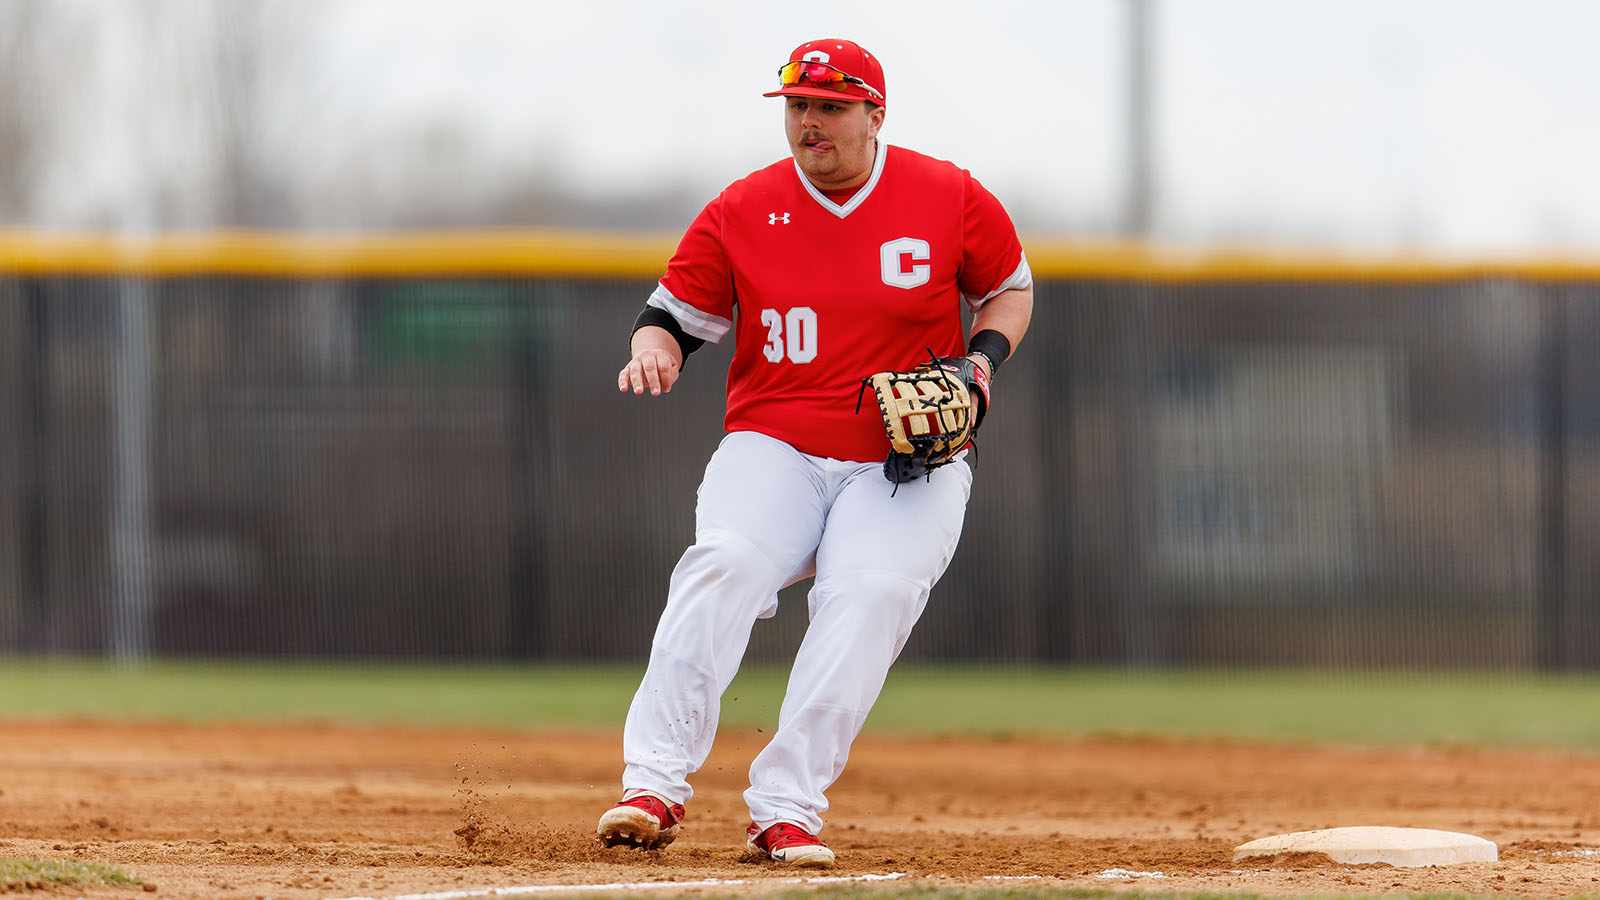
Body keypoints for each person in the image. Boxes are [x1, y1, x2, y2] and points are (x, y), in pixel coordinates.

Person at [599, 38, 1034, 868]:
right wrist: (652, 346)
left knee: (871, 592)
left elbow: (1010, 286)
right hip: (778, 441)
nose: (810, 123)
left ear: (875, 113)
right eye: (798, 106)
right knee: (722, 562)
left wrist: (981, 363)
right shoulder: (742, 207)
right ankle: (652, 783)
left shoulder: (948, 196)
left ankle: (786, 807)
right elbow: (671, 312)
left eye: (830, 106)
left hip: (905, 460)